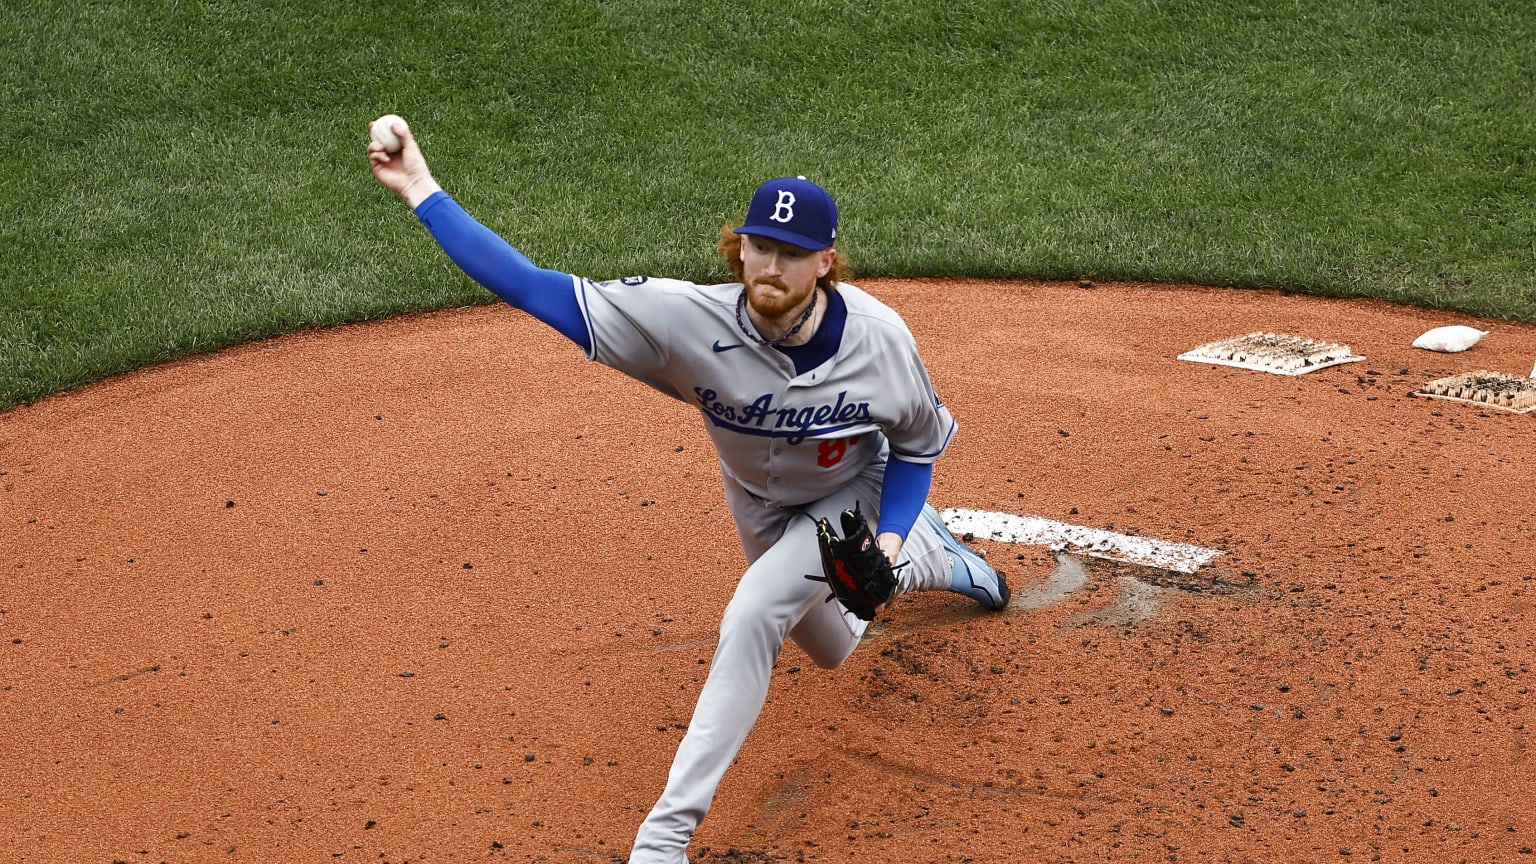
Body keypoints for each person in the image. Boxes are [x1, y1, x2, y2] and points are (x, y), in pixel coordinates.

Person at [367, 117, 1010, 863]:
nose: (770, 265)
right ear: (739, 248)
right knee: (830, 644)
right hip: (759, 503)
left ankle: (663, 839)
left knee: (754, 612)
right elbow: (533, 287)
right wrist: (420, 187)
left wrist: (888, 534)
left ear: (826, 262)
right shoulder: (683, 321)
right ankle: (936, 559)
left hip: (851, 490)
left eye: (793, 254)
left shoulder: (879, 340)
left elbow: (916, 450)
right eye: (759, 247)